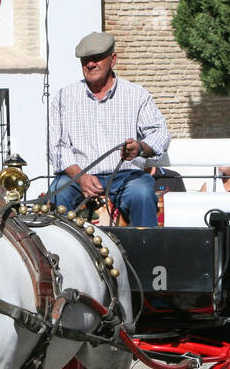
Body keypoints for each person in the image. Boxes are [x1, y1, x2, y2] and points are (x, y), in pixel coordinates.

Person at [47, 31, 170, 228]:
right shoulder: (63, 98)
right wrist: (81, 177)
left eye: (97, 58)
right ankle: (59, 257)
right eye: (85, 60)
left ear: (112, 60)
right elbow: (57, 148)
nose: (90, 64)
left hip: (127, 176)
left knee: (142, 194)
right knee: (59, 193)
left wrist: (139, 148)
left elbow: (160, 134)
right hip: (78, 175)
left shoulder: (137, 95)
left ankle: (147, 255)